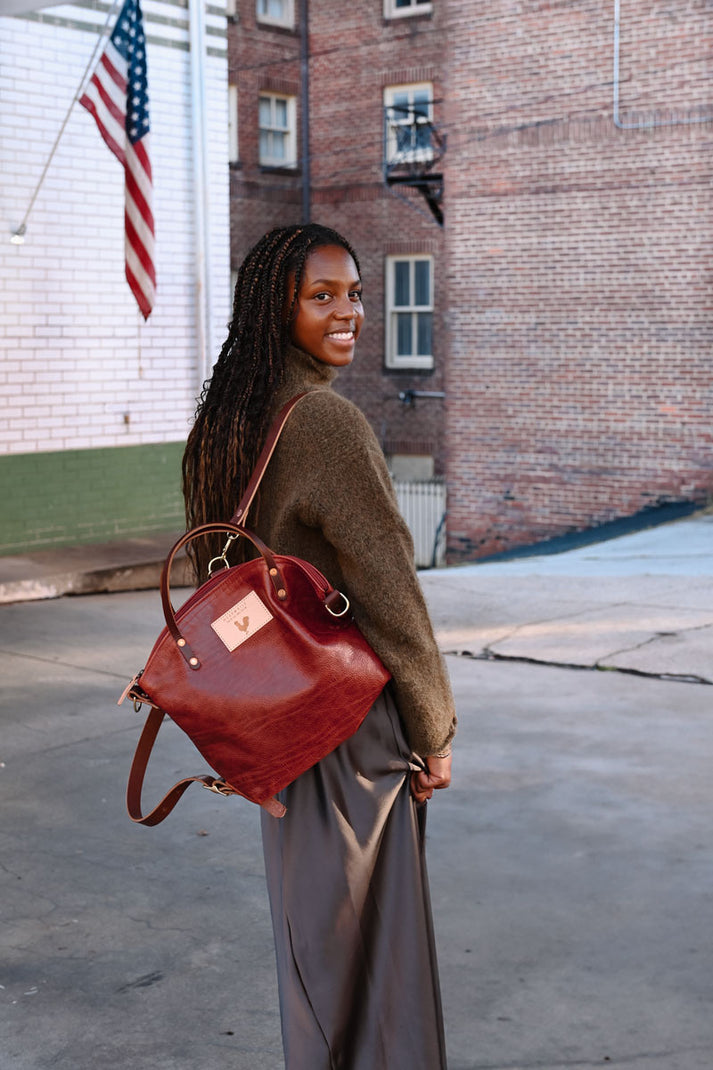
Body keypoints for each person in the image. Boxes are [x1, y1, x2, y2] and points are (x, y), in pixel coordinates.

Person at [182, 223, 456, 1070]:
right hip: (350, 728)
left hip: (279, 723)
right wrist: (434, 727)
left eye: (354, 294)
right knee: (377, 962)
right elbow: (389, 591)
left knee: (317, 949)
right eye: (321, 296)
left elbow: (214, 576)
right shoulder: (325, 422)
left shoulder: (225, 422)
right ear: (277, 308)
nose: (349, 313)